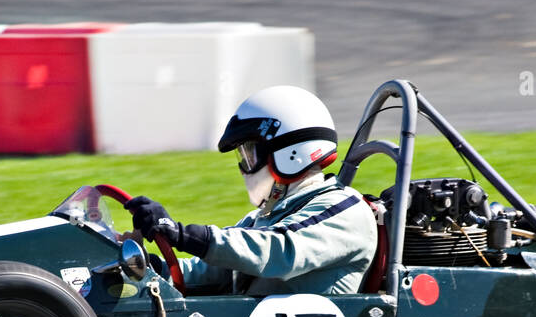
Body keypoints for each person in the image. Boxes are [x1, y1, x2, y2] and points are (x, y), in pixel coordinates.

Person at [124, 85, 377, 296]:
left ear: (291, 152)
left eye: (250, 153)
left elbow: (277, 253)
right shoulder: (271, 213)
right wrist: (143, 266)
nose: (244, 167)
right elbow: (213, 270)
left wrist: (180, 234)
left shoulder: (346, 211)